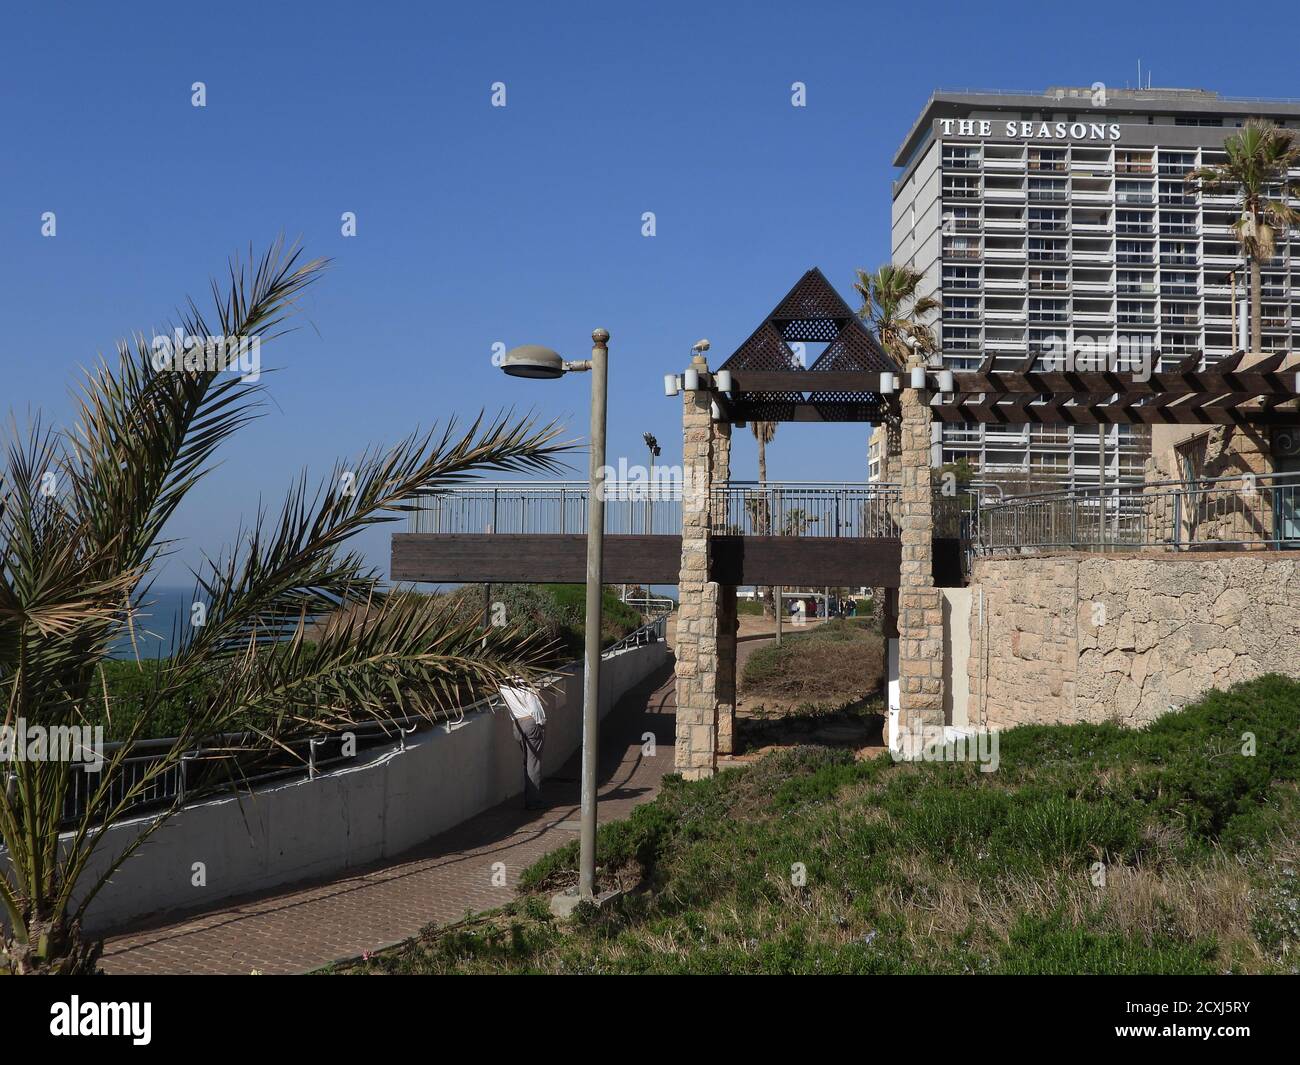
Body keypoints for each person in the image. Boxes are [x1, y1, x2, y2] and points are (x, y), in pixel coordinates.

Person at [500, 681, 547, 810]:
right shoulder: (524, 686)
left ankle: (529, 798)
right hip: (530, 722)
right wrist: (541, 724)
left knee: (527, 762)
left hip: (517, 725)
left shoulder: (503, 686)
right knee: (533, 763)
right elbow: (535, 709)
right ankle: (534, 801)